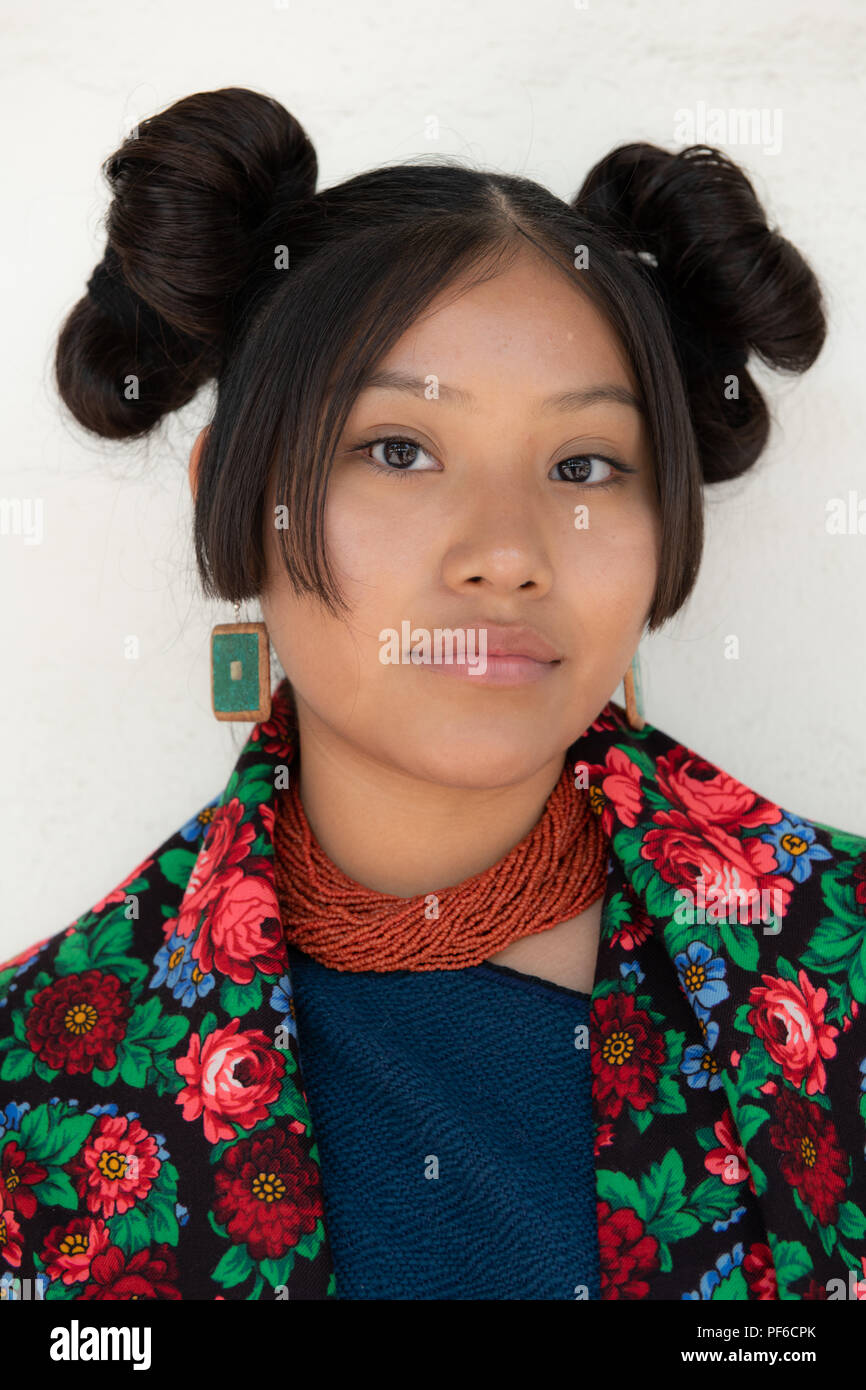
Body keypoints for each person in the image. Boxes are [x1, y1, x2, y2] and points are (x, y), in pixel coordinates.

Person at [1, 86, 864, 1303]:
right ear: (234, 501)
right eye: (397, 449)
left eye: (584, 465)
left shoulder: (844, 962)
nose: (506, 549)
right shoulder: (35, 1090)